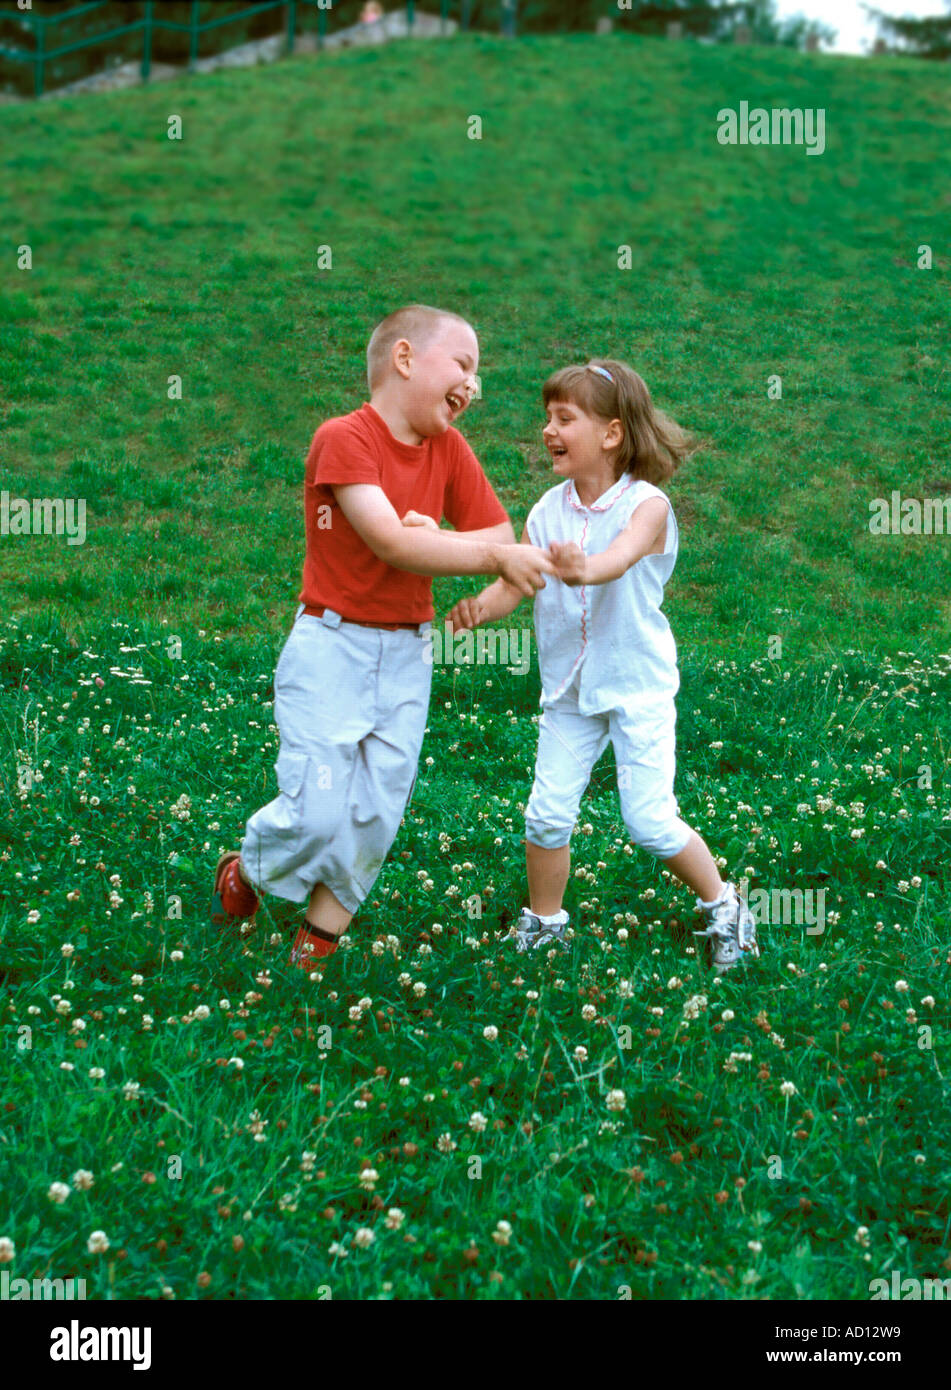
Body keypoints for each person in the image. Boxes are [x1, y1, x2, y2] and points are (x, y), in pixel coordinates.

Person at [211, 304, 555, 972]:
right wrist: (469, 553)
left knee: (375, 810)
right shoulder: (344, 438)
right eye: (462, 364)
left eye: (476, 373)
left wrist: (454, 544)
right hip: (330, 648)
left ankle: (315, 947)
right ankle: (248, 867)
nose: (473, 386)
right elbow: (392, 541)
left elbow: (496, 534)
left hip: (406, 652)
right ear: (404, 359)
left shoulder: (448, 450)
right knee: (315, 812)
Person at [448, 359, 760, 971]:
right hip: (568, 691)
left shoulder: (649, 508)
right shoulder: (547, 510)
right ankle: (544, 923)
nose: (548, 430)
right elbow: (520, 580)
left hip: (636, 688)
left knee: (648, 821)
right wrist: (482, 608)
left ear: (612, 434)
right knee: (546, 812)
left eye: (565, 419)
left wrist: (579, 567)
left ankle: (725, 904)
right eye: (547, 418)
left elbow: (613, 561)